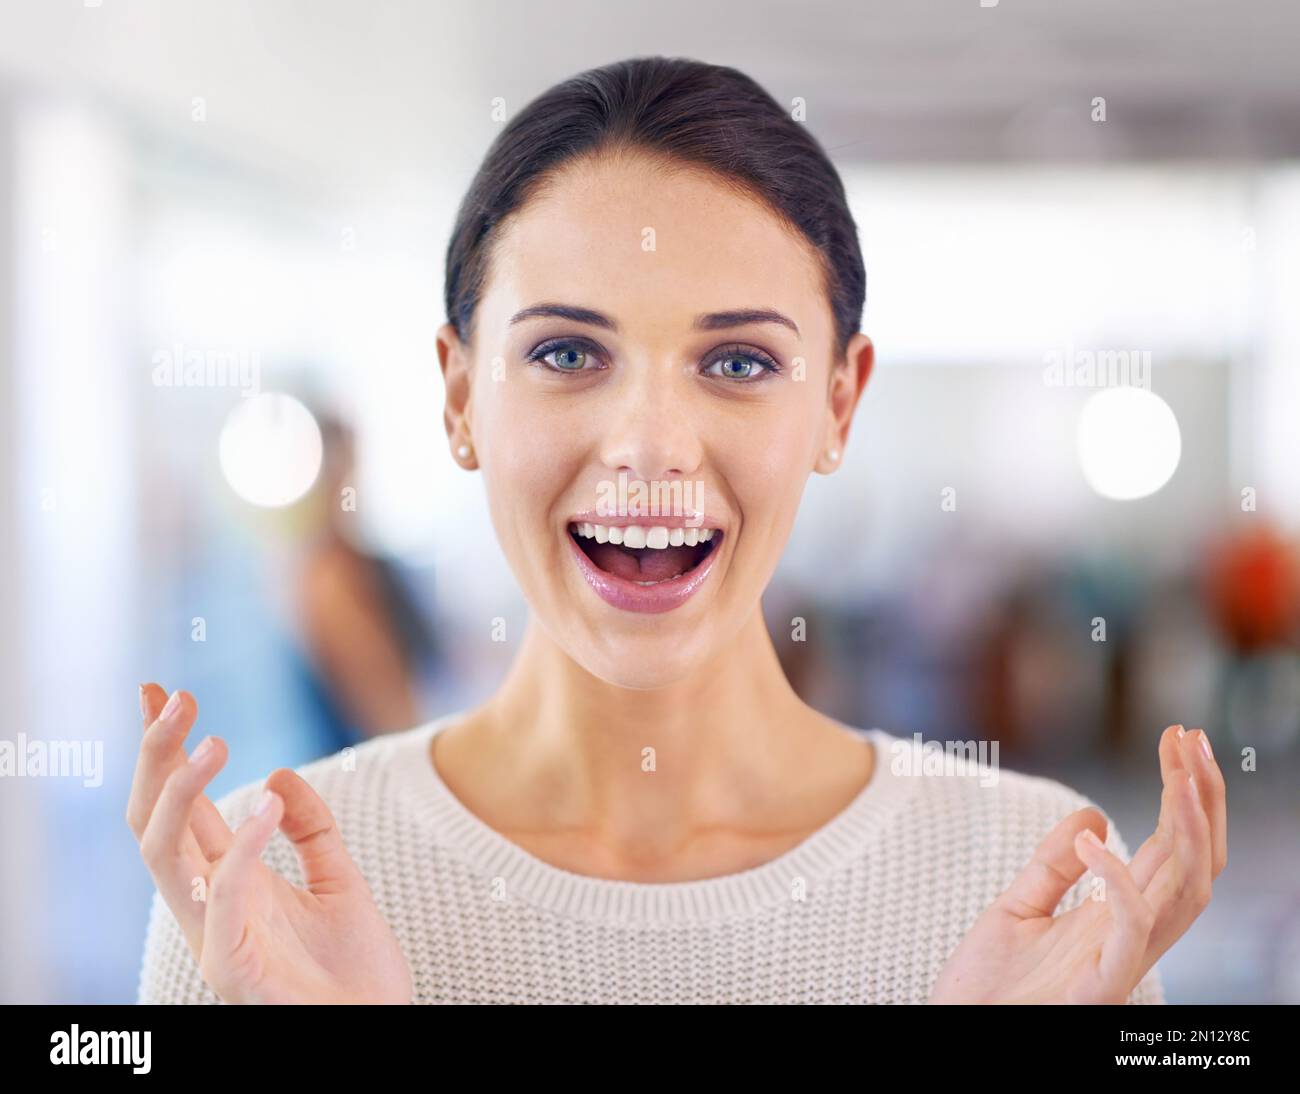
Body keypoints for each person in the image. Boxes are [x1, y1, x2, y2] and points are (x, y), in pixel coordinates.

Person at [128, 57, 1224, 1004]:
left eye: (738, 362)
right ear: (459, 397)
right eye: (565, 354)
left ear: (838, 403)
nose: (650, 446)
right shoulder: (255, 887)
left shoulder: (1040, 870)